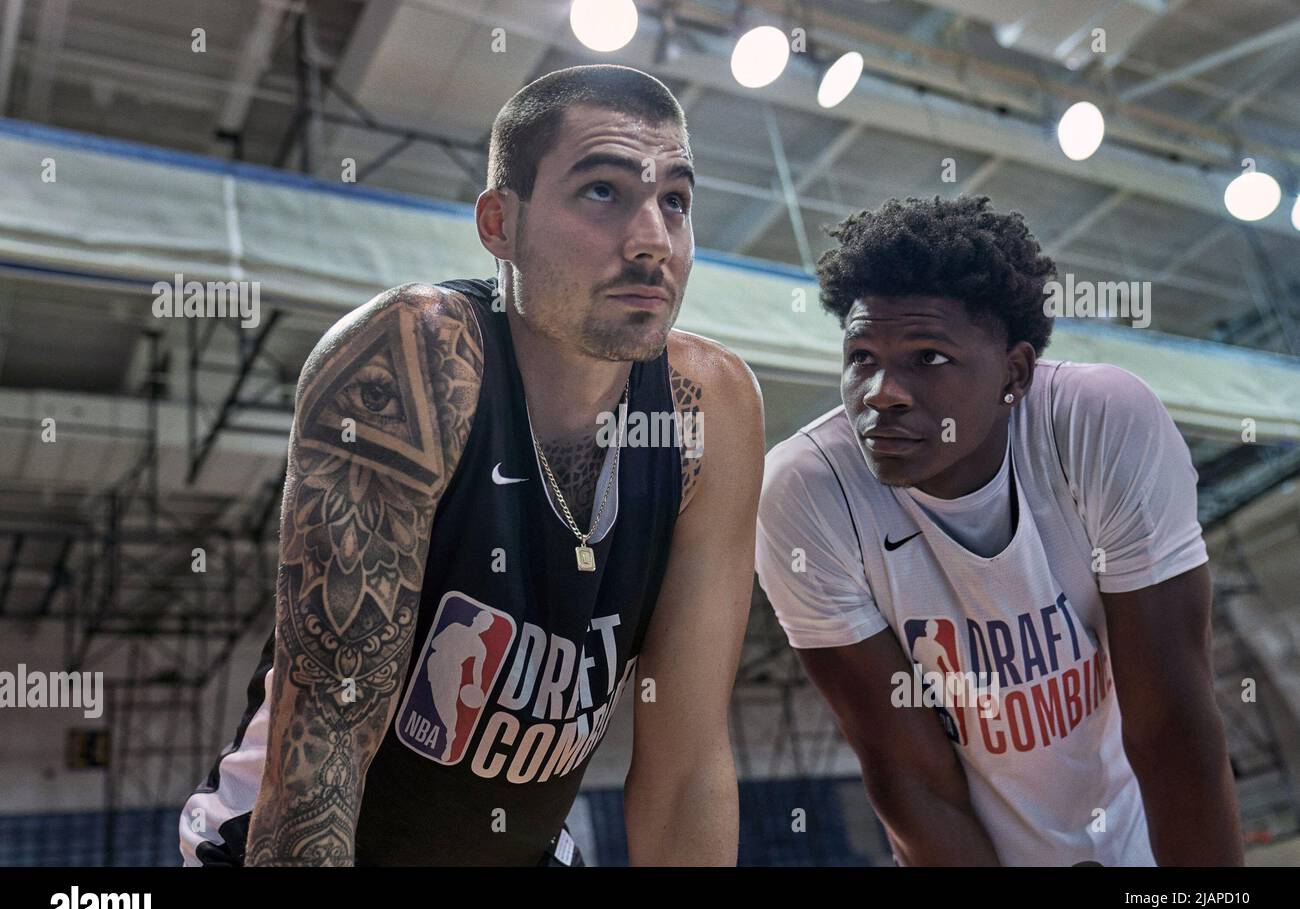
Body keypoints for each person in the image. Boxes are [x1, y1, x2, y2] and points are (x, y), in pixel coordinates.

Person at [180, 64, 764, 866]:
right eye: (602, 191)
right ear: (499, 223)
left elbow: (687, 770)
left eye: (676, 200)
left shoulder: (711, 410)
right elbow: (324, 759)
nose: (652, 240)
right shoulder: (414, 360)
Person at [755, 195, 1242, 866]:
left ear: (1014, 373)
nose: (881, 392)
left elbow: (1170, 728)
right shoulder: (807, 492)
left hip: (1137, 841)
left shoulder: (1098, 422)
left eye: (927, 357)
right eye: (862, 356)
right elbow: (907, 774)